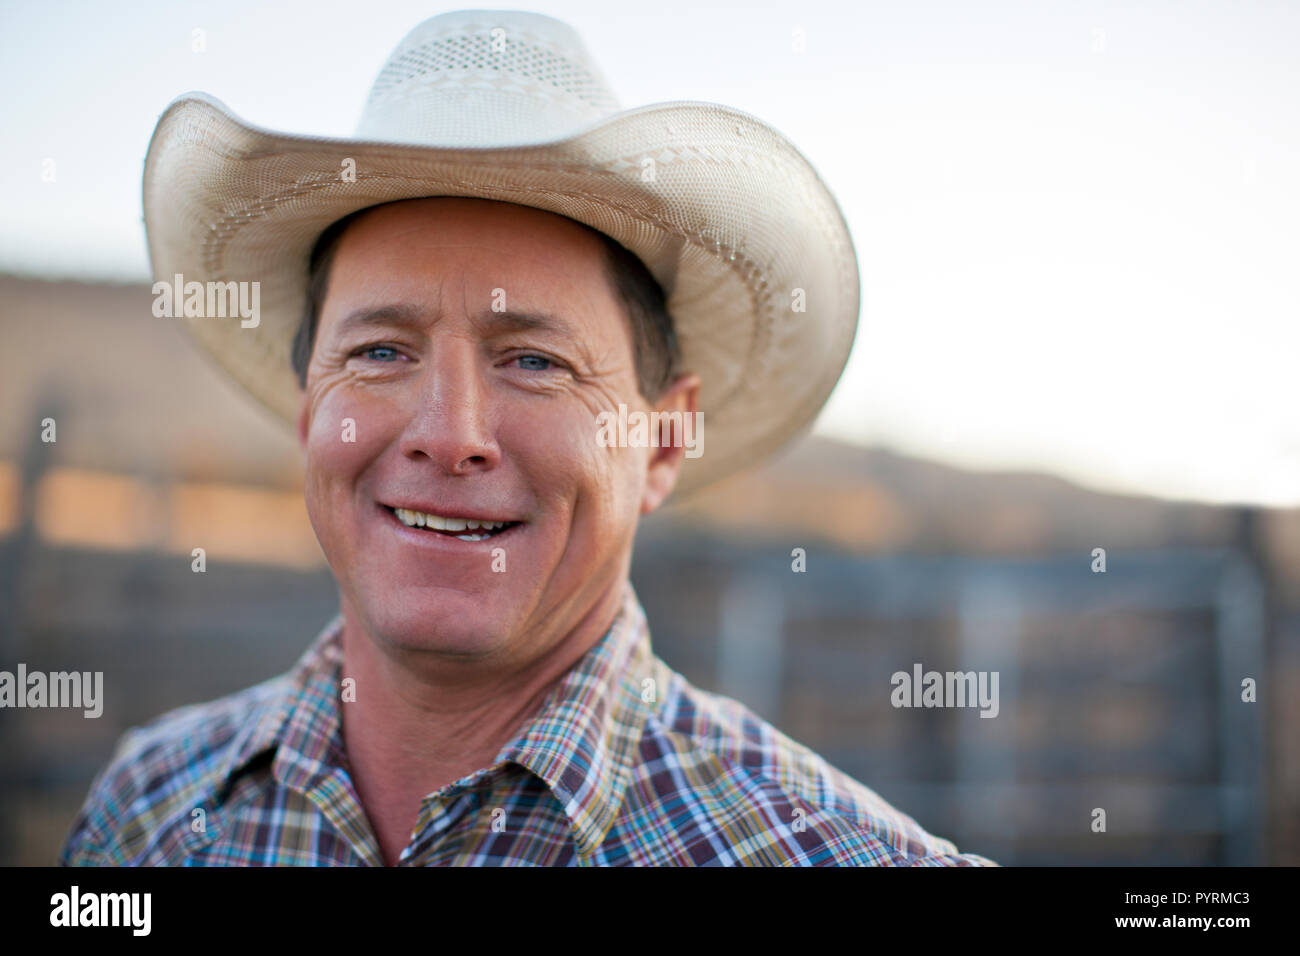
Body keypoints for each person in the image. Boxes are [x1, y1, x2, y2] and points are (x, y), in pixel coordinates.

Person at [60, 9, 996, 866]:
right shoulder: (147, 813)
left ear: (663, 442)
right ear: (312, 417)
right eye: (381, 351)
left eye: (535, 362)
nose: (449, 435)